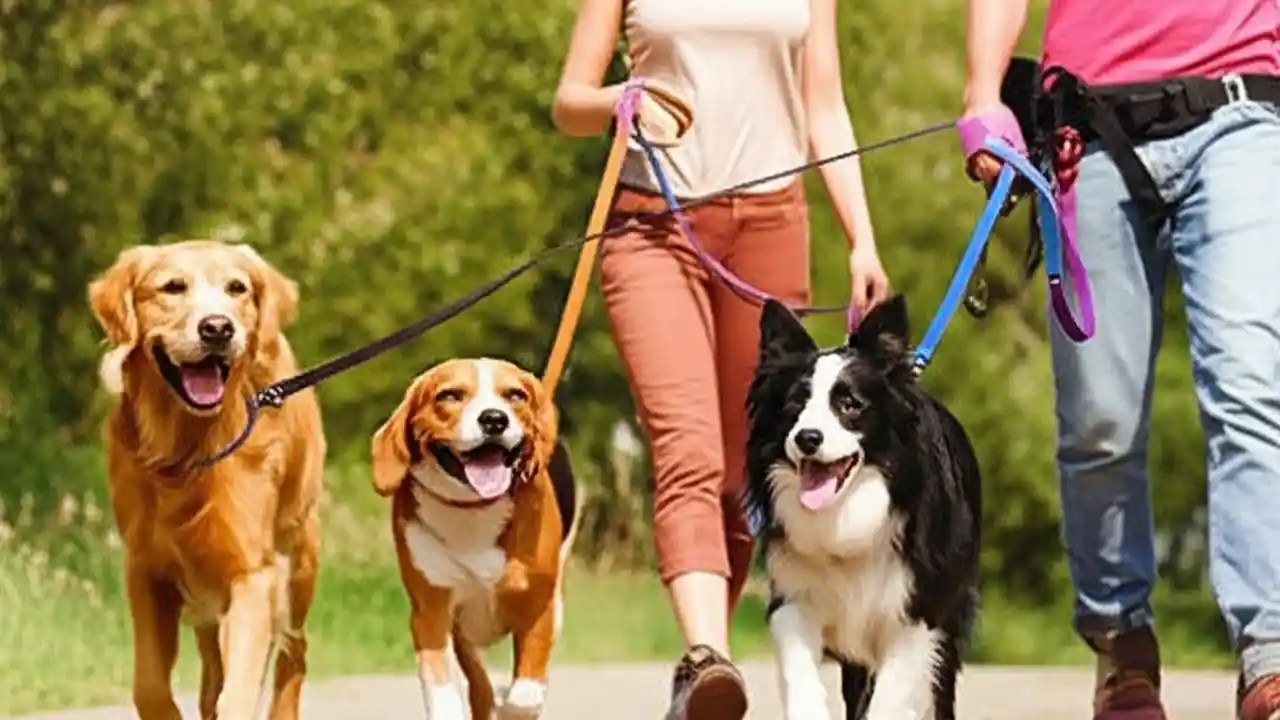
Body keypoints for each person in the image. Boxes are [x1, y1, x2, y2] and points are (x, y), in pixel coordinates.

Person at [551, 0, 887, 717]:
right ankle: (707, 656)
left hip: (771, 223)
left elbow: (822, 103)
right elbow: (569, 104)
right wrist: (621, 101)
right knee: (688, 452)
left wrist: (861, 236)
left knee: (749, 466)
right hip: (651, 226)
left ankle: (705, 684)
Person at [960, 0, 1280, 718]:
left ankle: (1270, 644)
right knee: (1097, 418)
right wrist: (983, 94)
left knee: (1248, 378)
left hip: (1240, 111)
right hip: (1089, 126)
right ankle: (1121, 641)